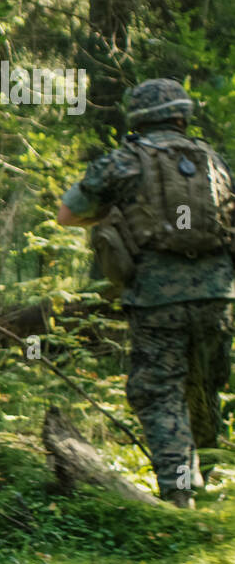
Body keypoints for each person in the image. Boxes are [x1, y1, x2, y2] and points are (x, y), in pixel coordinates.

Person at [57, 78, 235, 508]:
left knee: (160, 394)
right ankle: (209, 478)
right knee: (205, 387)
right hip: (219, 295)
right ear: (181, 114)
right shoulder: (214, 162)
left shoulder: (124, 161)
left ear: (138, 116)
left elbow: (67, 213)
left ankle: (180, 496)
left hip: (157, 297)